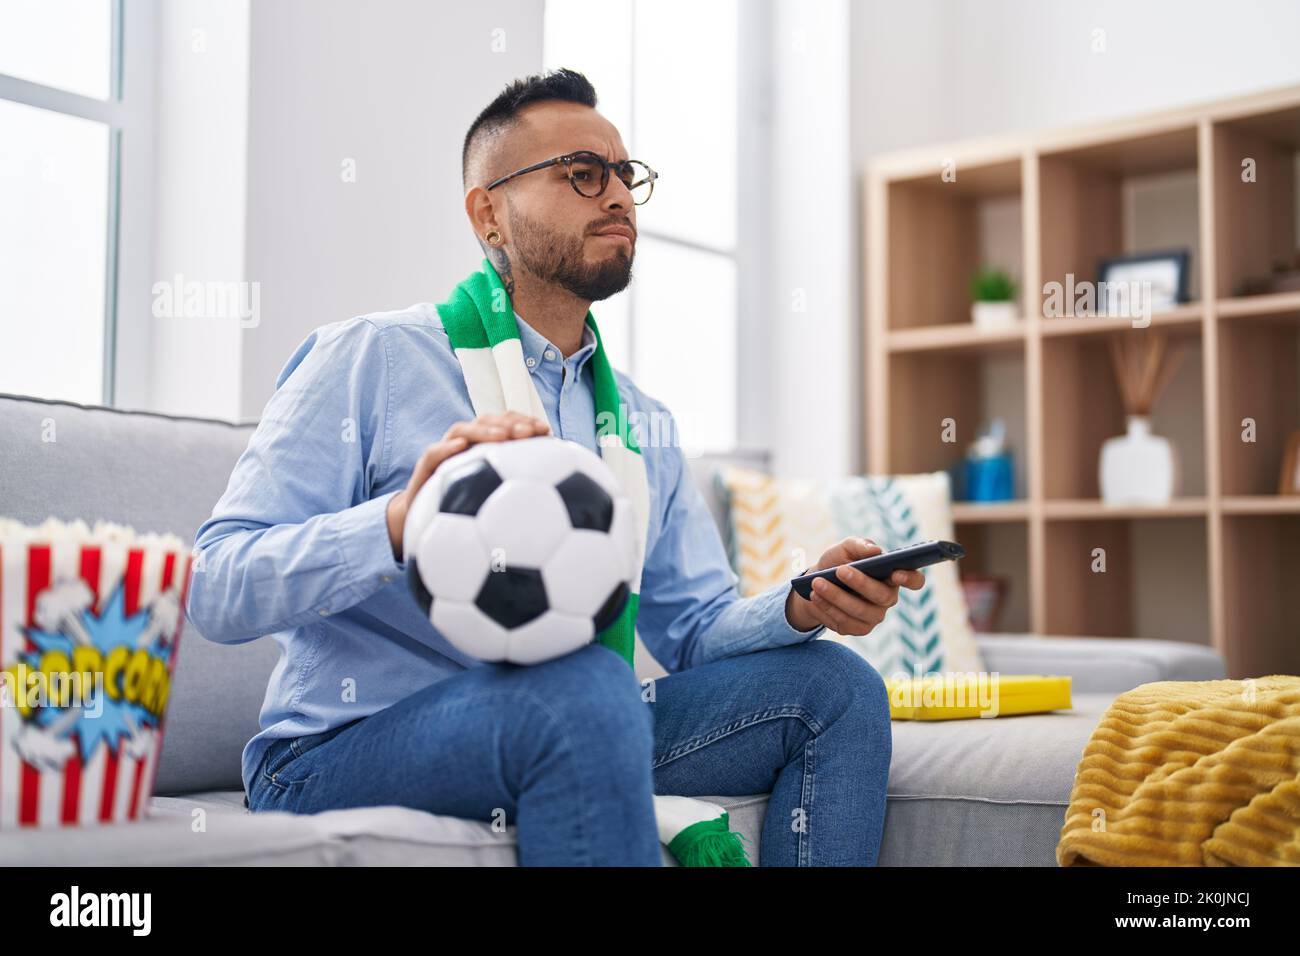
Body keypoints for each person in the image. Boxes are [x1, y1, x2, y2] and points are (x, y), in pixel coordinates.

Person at [185, 68, 925, 866]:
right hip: (338, 753)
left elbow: (696, 629)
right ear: (489, 213)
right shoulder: (373, 359)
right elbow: (215, 586)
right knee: (583, 691)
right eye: (582, 173)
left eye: (624, 175)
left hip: (576, 708)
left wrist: (803, 604)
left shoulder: (643, 425)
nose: (617, 197)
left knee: (838, 688)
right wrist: (399, 522)